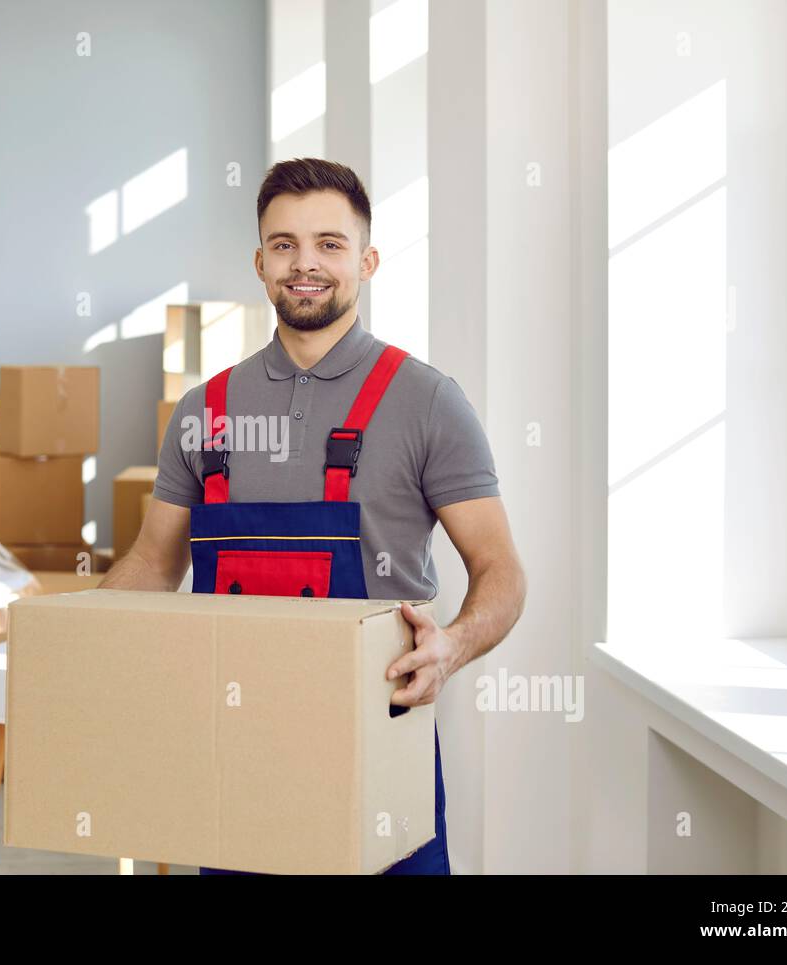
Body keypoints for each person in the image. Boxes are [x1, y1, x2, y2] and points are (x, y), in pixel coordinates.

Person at [100, 158, 527, 873]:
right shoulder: (204, 411)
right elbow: (152, 560)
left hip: (380, 751)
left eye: (330, 243)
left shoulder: (427, 400)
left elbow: (500, 568)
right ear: (260, 263)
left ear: (367, 259)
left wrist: (451, 646)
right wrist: (82, 641)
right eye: (284, 244)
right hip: (233, 754)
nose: (305, 263)